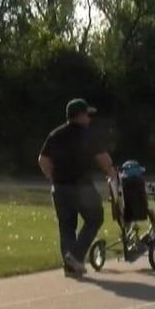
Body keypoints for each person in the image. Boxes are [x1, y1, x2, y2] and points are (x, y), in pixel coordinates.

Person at [38, 98, 118, 277]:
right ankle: (75, 256)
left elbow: (42, 160)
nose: (89, 118)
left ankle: (70, 265)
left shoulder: (55, 135)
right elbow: (104, 160)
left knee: (66, 226)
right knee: (95, 218)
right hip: (81, 187)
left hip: (59, 187)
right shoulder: (87, 134)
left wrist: (54, 177)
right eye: (87, 114)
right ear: (80, 115)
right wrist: (111, 173)